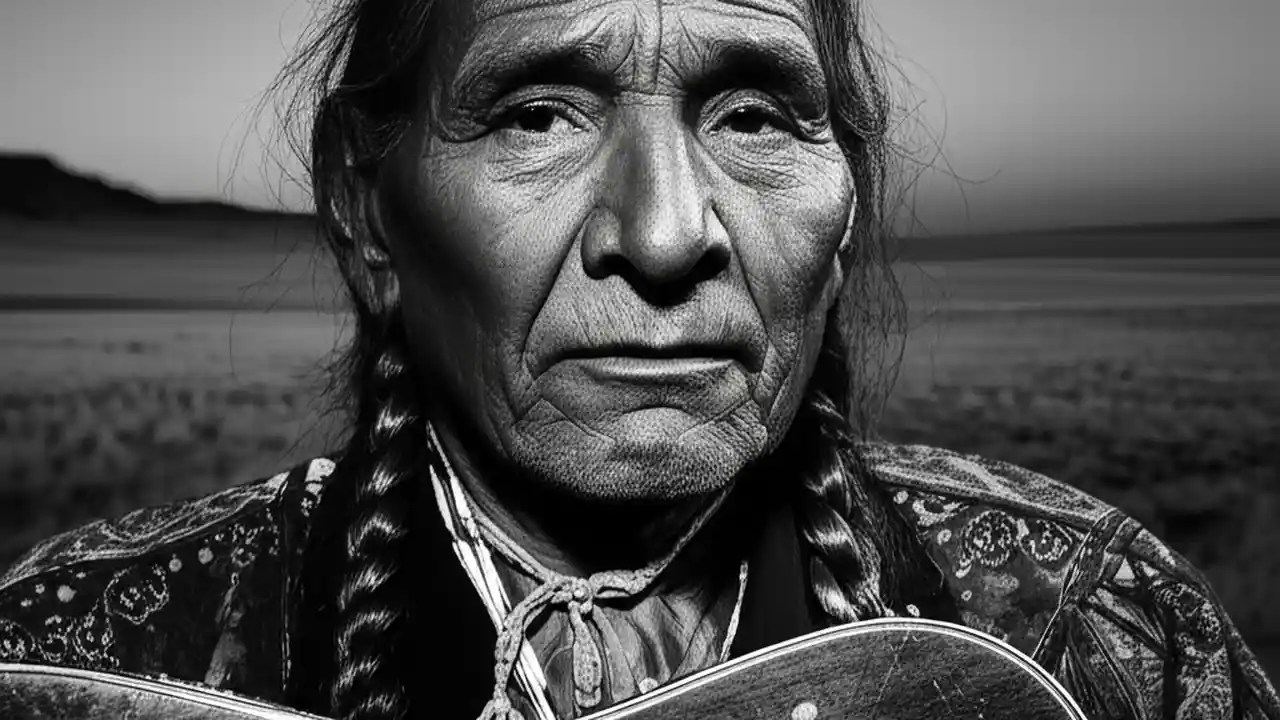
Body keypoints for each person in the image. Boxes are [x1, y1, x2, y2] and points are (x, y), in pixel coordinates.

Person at [1, 1, 1276, 719]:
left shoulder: (1090, 632)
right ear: (365, 206)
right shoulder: (88, 663)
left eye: (756, 113)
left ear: (842, 215)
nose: (666, 234)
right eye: (538, 113)